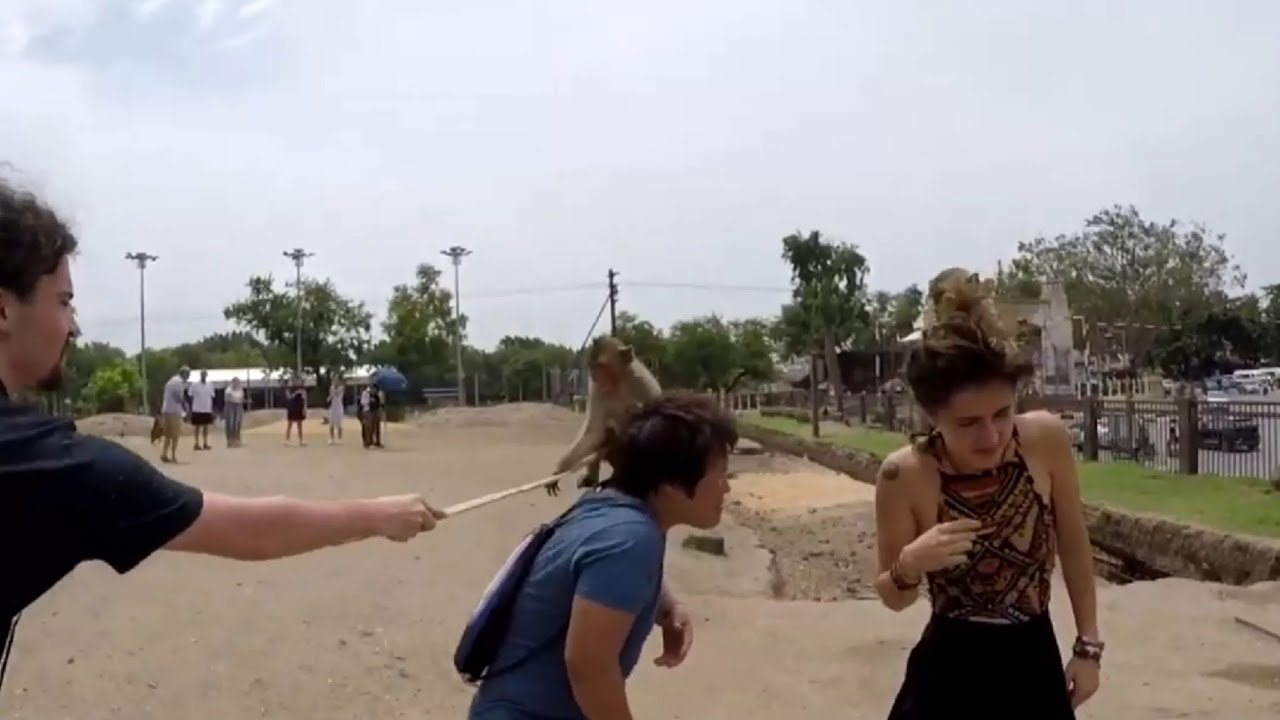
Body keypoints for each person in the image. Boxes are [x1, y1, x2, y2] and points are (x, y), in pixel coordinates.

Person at [0, 177, 447, 692]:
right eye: (63, 301)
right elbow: (252, 529)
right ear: (4, 309)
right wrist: (379, 515)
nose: (73, 326)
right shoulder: (55, 466)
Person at [874, 268, 1101, 720]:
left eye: (1002, 414)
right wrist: (911, 563)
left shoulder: (1046, 440)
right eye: (967, 424)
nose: (991, 436)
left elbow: (1074, 546)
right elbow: (894, 597)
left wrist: (1088, 647)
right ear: (931, 415)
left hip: (1033, 662)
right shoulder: (904, 476)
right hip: (948, 674)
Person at [469, 393, 736, 720]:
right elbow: (588, 666)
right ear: (671, 484)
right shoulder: (629, 540)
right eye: (721, 474)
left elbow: (597, 567)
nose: (727, 488)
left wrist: (667, 608)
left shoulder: (611, 509)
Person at [545, 337, 661, 496]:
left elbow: (661, 423)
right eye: (595, 371)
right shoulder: (599, 387)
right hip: (616, 435)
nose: (599, 380)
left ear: (626, 360)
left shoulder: (644, 386)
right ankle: (593, 474)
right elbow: (592, 434)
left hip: (642, 437)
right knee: (603, 433)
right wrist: (560, 469)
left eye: (604, 370)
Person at [159, 365, 190, 463]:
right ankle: (173, 455)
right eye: (188, 374)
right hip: (174, 411)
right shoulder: (179, 382)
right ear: (184, 374)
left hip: (166, 409)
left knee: (168, 434)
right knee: (175, 435)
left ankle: (164, 454)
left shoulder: (171, 381)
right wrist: (186, 407)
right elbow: (179, 397)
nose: (188, 376)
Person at [188, 369, 215, 451]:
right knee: (197, 427)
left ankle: (205, 443)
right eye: (202, 374)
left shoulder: (210, 385)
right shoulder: (194, 385)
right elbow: (190, 396)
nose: (203, 376)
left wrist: (212, 408)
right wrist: (190, 409)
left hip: (207, 409)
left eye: (205, 374)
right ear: (200, 375)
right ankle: (196, 443)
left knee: (206, 427)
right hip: (197, 408)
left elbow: (212, 396)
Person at [224, 376, 246, 448]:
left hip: (238, 406)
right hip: (230, 406)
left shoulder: (240, 389)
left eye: (238, 382)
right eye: (235, 382)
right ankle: (230, 440)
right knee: (230, 423)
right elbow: (226, 399)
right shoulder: (229, 390)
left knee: (237, 423)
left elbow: (242, 398)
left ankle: (237, 439)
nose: (237, 383)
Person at [284, 378, 307, 447]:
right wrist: (295, 393)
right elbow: (289, 397)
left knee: (299, 425)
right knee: (289, 424)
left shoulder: (303, 390)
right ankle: (287, 440)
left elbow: (305, 400)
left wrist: (304, 409)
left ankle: (301, 440)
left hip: (299, 407)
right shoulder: (288, 389)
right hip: (292, 407)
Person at [327, 379, 345, 445]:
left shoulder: (341, 388)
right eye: (334, 381)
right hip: (333, 408)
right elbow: (330, 396)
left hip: (339, 408)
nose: (335, 383)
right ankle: (331, 439)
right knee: (331, 424)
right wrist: (329, 398)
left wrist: (333, 391)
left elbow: (338, 393)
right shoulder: (331, 388)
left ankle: (340, 438)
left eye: (336, 381)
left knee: (339, 424)